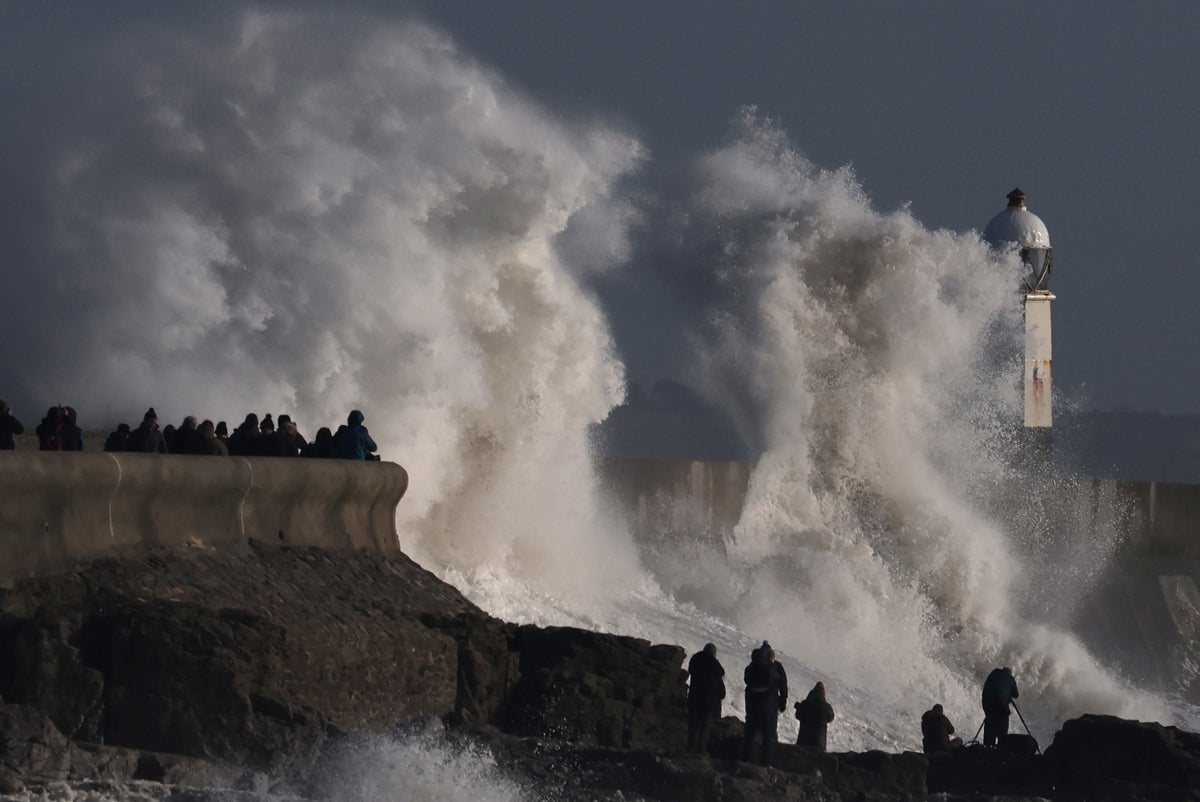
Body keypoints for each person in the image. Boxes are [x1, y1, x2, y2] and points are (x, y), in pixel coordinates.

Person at [742, 642, 785, 766]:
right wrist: (782, 701)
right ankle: (765, 762)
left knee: (750, 734)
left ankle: (746, 759)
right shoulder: (771, 669)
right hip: (767, 707)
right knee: (767, 736)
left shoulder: (749, 668)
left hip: (751, 705)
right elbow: (779, 681)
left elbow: (746, 680)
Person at [686, 643, 725, 755]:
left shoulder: (695, 663)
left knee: (693, 727)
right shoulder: (715, 671)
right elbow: (722, 693)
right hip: (708, 704)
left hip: (693, 699)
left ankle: (689, 750)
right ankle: (700, 752)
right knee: (704, 729)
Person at [981, 667, 1019, 747]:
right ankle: (1001, 747)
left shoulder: (993, 674)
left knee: (990, 727)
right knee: (1002, 732)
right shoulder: (1010, 678)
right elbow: (1016, 695)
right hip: (1001, 707)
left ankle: (987, 747)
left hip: (988, 705)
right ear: (1009, 673)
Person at [795, 682, 835, 751]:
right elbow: (831, 717)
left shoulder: (805, 704)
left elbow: (798, 715)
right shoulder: (825, 707)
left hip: (803, 742)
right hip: (818, 744)